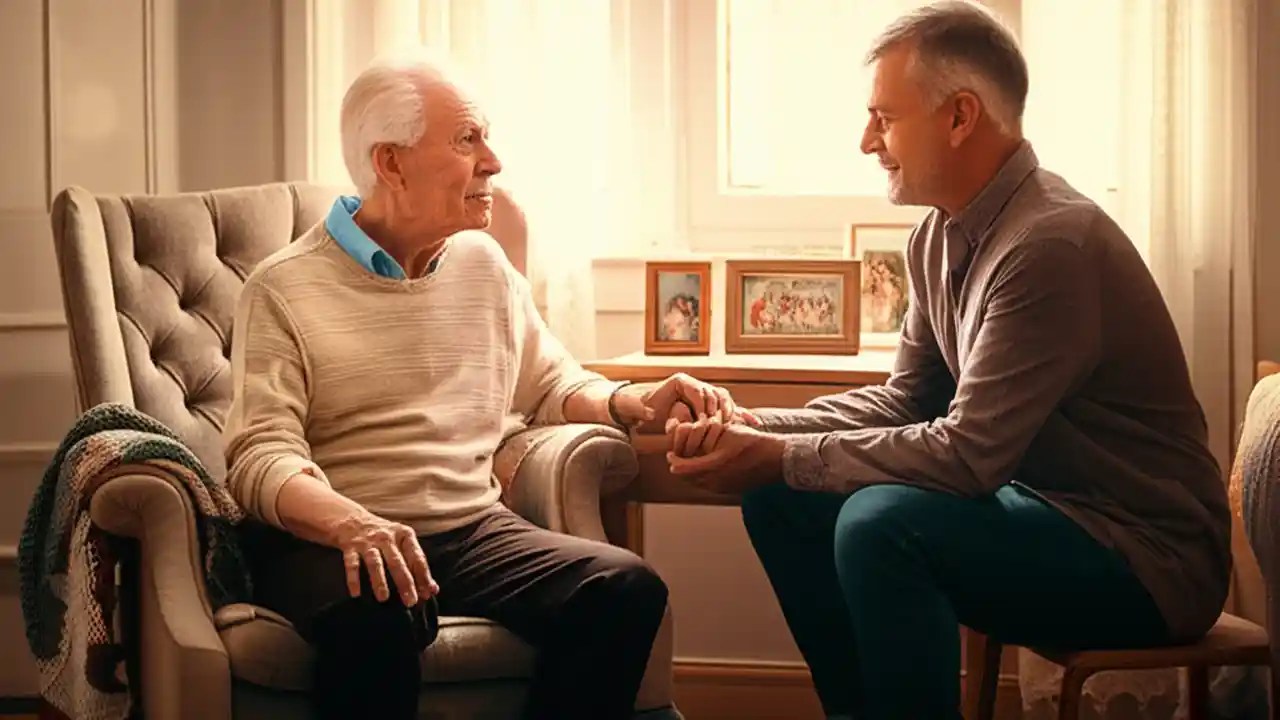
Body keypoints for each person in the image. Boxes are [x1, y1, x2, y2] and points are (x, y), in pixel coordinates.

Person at [663, 2, 1230, 718]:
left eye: (884, 117)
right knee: (783, 499)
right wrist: (755, 427)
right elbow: (906, 402)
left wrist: (775, 454)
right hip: (1048, 513)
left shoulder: (1050, 246)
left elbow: (968, 457)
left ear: (960, 117)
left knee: (880, 524)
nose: (867, 140)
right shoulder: (935, 238)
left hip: (1149, 559)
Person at [223, 49, 732, 720]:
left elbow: (548, 383)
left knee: (624, 589)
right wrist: (354, 523)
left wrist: (636, 400)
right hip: (329, 539)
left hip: (468, 528)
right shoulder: (283, 287)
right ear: (391, 162)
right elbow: (259, 456)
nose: (492, 161)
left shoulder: (481, 262)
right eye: (468, 140)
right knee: (377, 612)